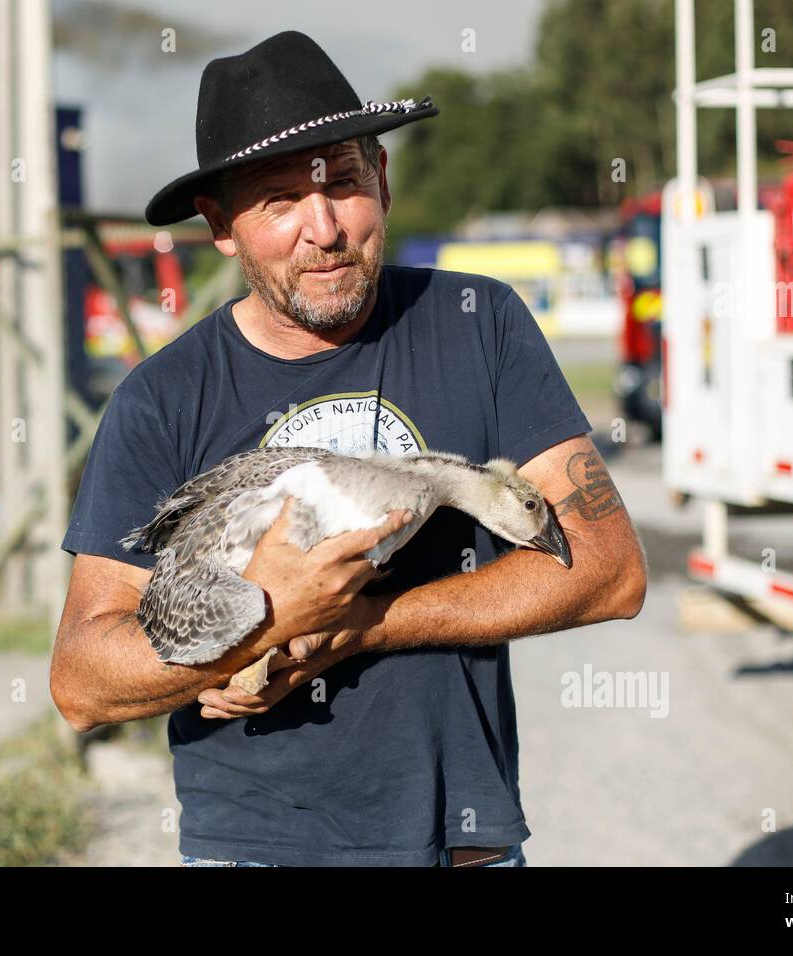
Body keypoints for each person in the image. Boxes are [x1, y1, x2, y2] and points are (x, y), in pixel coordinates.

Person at [50, 30, 647, 868]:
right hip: (251, 852)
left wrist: (361, 625)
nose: (322, 228)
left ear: (385, 180)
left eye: (343, 182)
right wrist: (248, 634)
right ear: (221, 225)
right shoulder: (161, 398)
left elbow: (611, 571)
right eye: (277, 200)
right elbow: (80, 682)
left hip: (460, 848)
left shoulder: (479, 326)